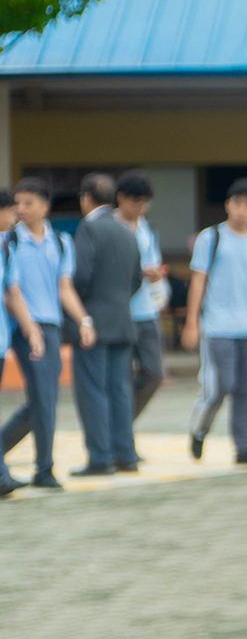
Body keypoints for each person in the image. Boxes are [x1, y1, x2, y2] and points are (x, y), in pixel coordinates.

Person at [184, 177, 247, 467]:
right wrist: (192, 322)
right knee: (220, 386)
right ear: (228, 205)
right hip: (218, 327)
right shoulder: (210, 238)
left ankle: (244, 448)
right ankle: (200, 428)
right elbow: (198, 280)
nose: (242, 210)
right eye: (237, 203)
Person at [0, 178, 89, 492]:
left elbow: (65, 289)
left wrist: (84, 320)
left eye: (28, 203)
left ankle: (28, 462)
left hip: (51, 327)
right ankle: (44, 468)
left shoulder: (61, 242)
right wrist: (29, 327)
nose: (21, 210)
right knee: (43, 396)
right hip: (23, 328)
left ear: (44, 206)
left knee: (45, 399)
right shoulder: (9, 241)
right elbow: (12, 292)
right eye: (17, 204)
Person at [69, 172, 144, 477]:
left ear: (86, 198)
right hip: (123, 320)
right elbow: (137, 278)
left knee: (93, 391)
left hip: (93, 323)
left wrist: (82, 311)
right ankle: (125, 453)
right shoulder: (127, 230)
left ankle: (100, 457)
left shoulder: (88, 229)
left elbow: (80, 276)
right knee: (119, 390)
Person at [114, 174, 170, 420]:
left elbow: (153, 261)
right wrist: (138, 273)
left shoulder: (146, 226)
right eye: (136, 202)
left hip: (146, 310)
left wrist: (155, 275)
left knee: (154, 372)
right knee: (121, 377)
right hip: (121, 312)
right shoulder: (110, 227)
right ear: (121, 199)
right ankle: (121, 434)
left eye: (145, 203)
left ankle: (122, 422)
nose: (140, 208)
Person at [0, 187, 36, 497]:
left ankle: (1, 476)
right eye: (10, 211)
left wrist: (31, 329)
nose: (15, 217)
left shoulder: (5, 248)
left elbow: (13, 293)